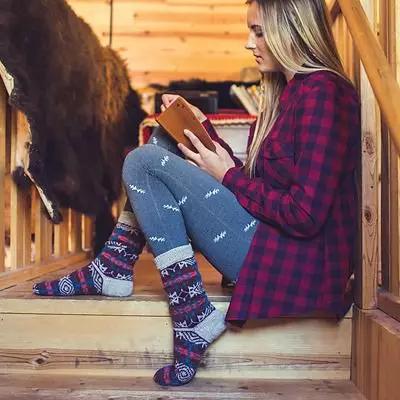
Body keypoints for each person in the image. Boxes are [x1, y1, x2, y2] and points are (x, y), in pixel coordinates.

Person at [32, 0, 361, 387]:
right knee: (169, 134)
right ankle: (115, 265)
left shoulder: (325, 93)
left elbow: (304, 214)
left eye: (258, 31)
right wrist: (204, 131)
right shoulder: (289, 94)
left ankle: (189, 311)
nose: (248, 43)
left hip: (295, 265)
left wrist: (228, 177)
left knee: (141, 162)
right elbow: (263, 189)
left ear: (291, 30)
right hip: (270, 243)